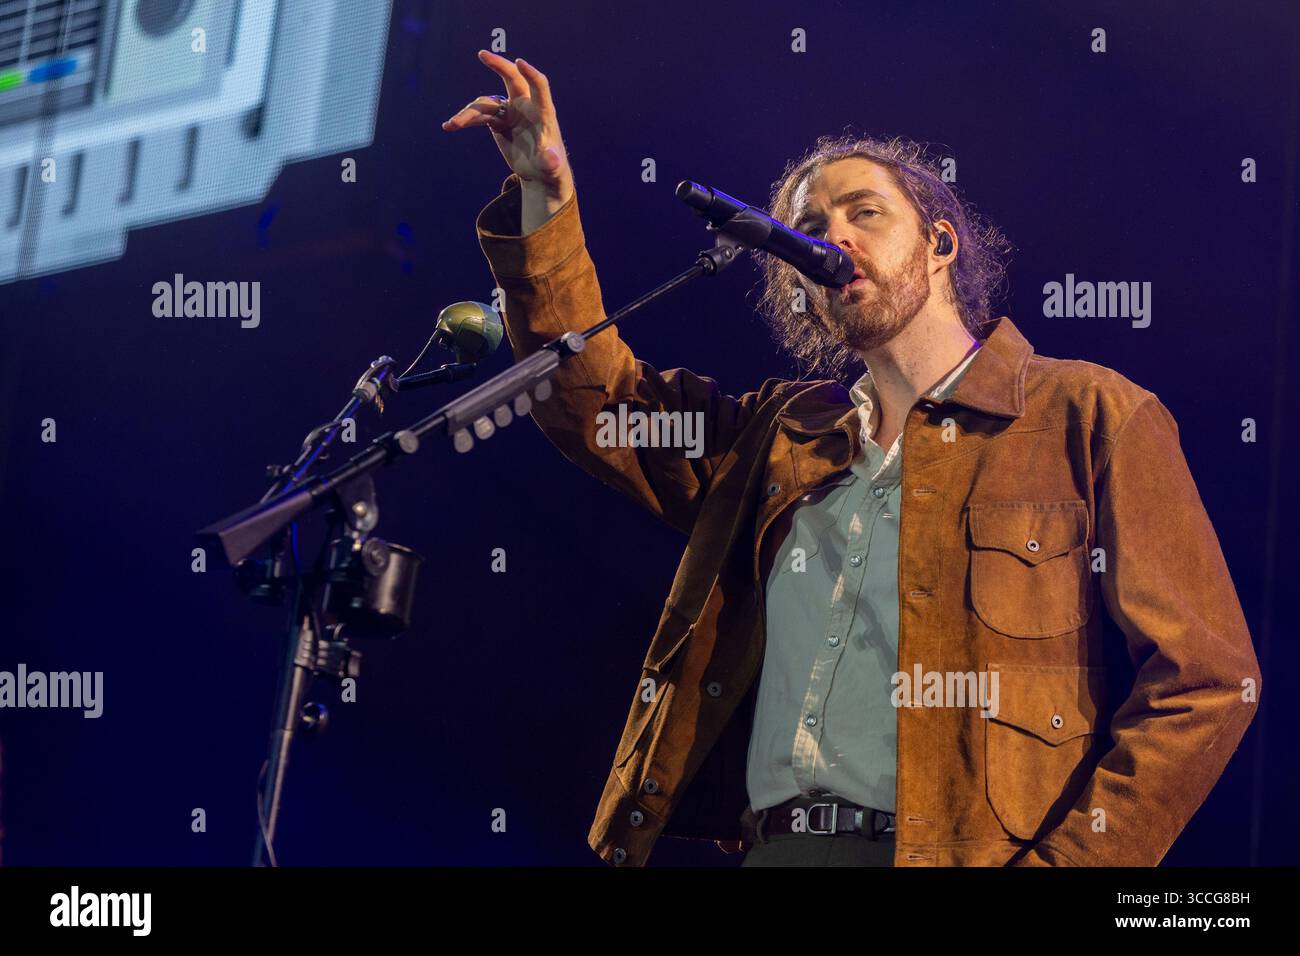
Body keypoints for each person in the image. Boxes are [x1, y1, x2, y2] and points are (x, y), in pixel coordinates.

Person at [442, 51, 1262, 867]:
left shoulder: (1088, 414)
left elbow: (1206, 681)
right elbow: (596, 403)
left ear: (939, 244)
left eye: (863, 212)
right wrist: (547, 194)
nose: (829, 236)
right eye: (808, 227)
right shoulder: (777, 432)